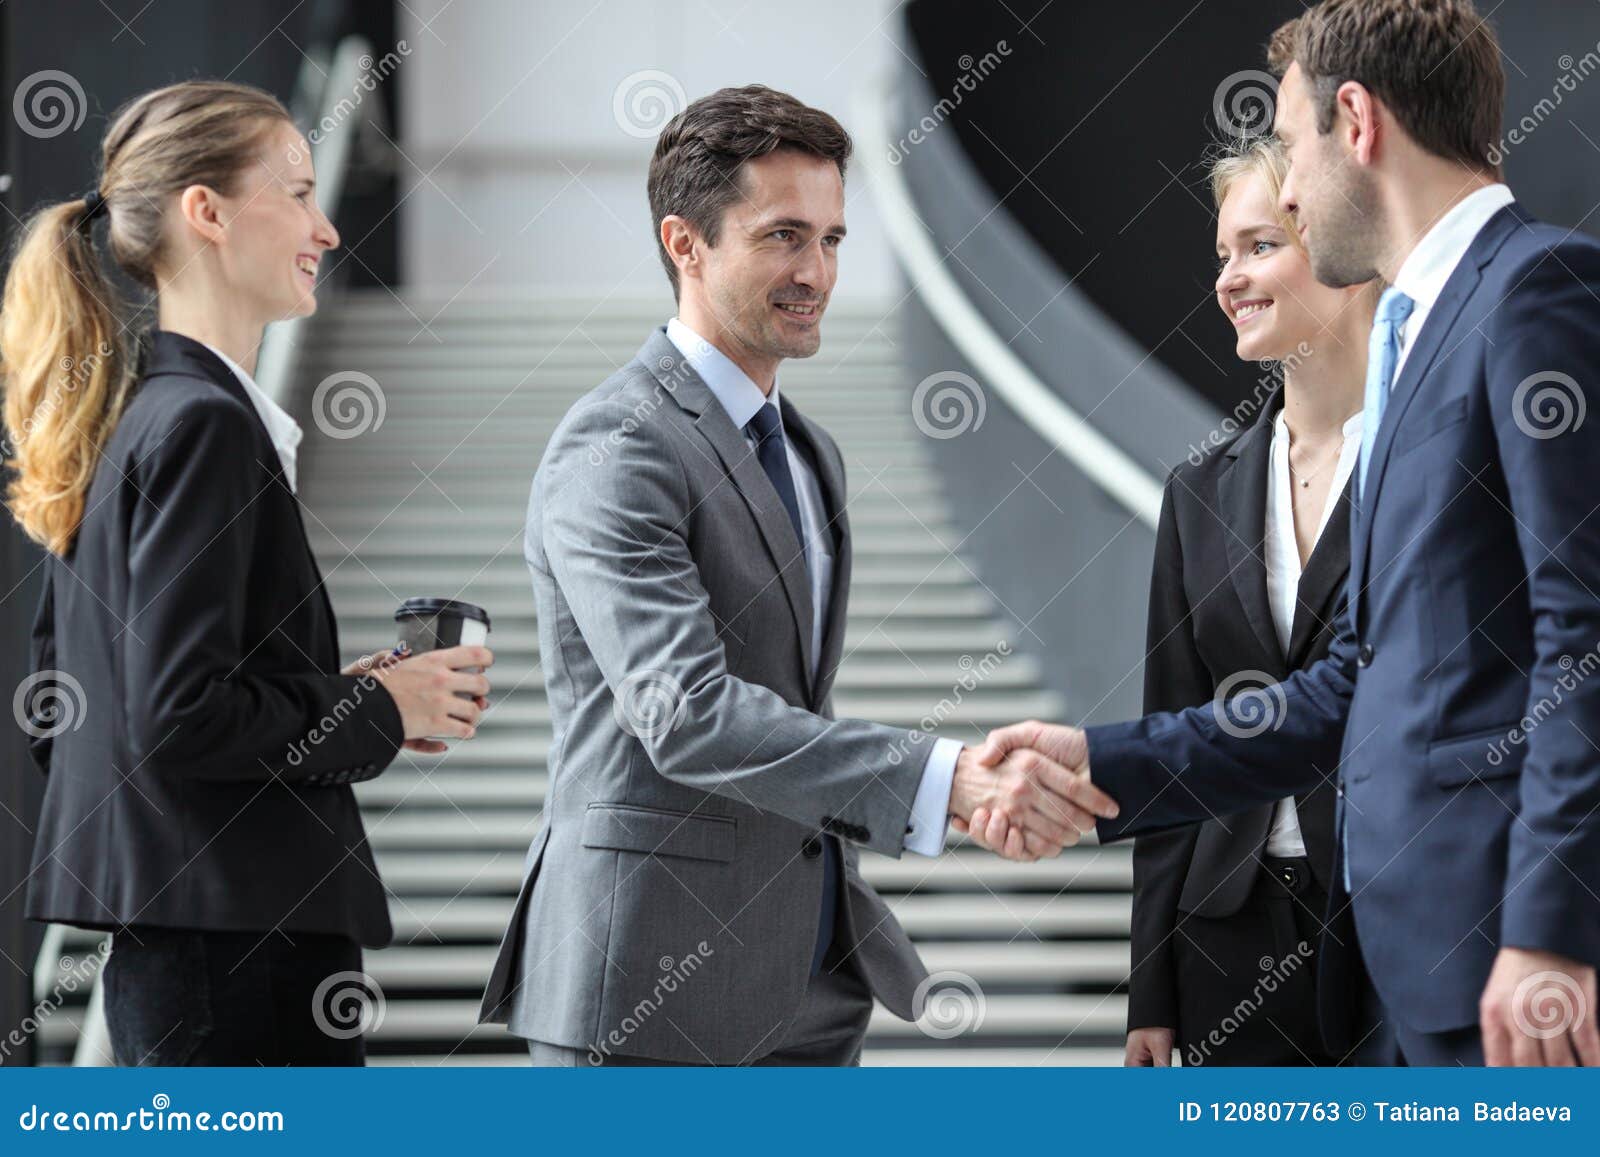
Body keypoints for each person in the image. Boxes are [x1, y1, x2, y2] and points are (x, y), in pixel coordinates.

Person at [967, 0, 1600, 1067]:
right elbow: (1346, 684)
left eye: (1294, 144)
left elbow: (1581, 632)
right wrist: (1098, 757)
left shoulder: (1536, 289)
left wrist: (1550, 928)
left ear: (1354, 121)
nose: (1293, 185)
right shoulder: (1414, 333)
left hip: (1502, 961)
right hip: (1412, 970)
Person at [478, 84, 1116, 1067]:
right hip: (649, 988)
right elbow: (685, 711)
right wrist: (943, 779)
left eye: (831, 239)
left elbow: (786, 696)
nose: (815, 270)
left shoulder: (809, 451)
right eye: (783, 235)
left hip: (806, 980)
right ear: (684, 243)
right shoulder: (617, 444)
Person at [1, 80, 492, 1065]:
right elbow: (176, 714)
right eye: (299, 193)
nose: (326, 227)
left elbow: (79, 709)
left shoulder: (129, 415)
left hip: (188, 943)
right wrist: (381, 711)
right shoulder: (206, 427)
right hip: (241, 958)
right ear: (208, 212)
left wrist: (339, 699)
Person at [1124, 136, 1375, 1067]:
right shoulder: (1197, 494)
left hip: (1391, 920)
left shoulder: (1428, 466)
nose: (1230, 279)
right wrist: (1150, 986)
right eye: (1223, 255)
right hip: (1224, 929)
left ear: (1345, 253)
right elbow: (1172, 740)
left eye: (1260, 246)